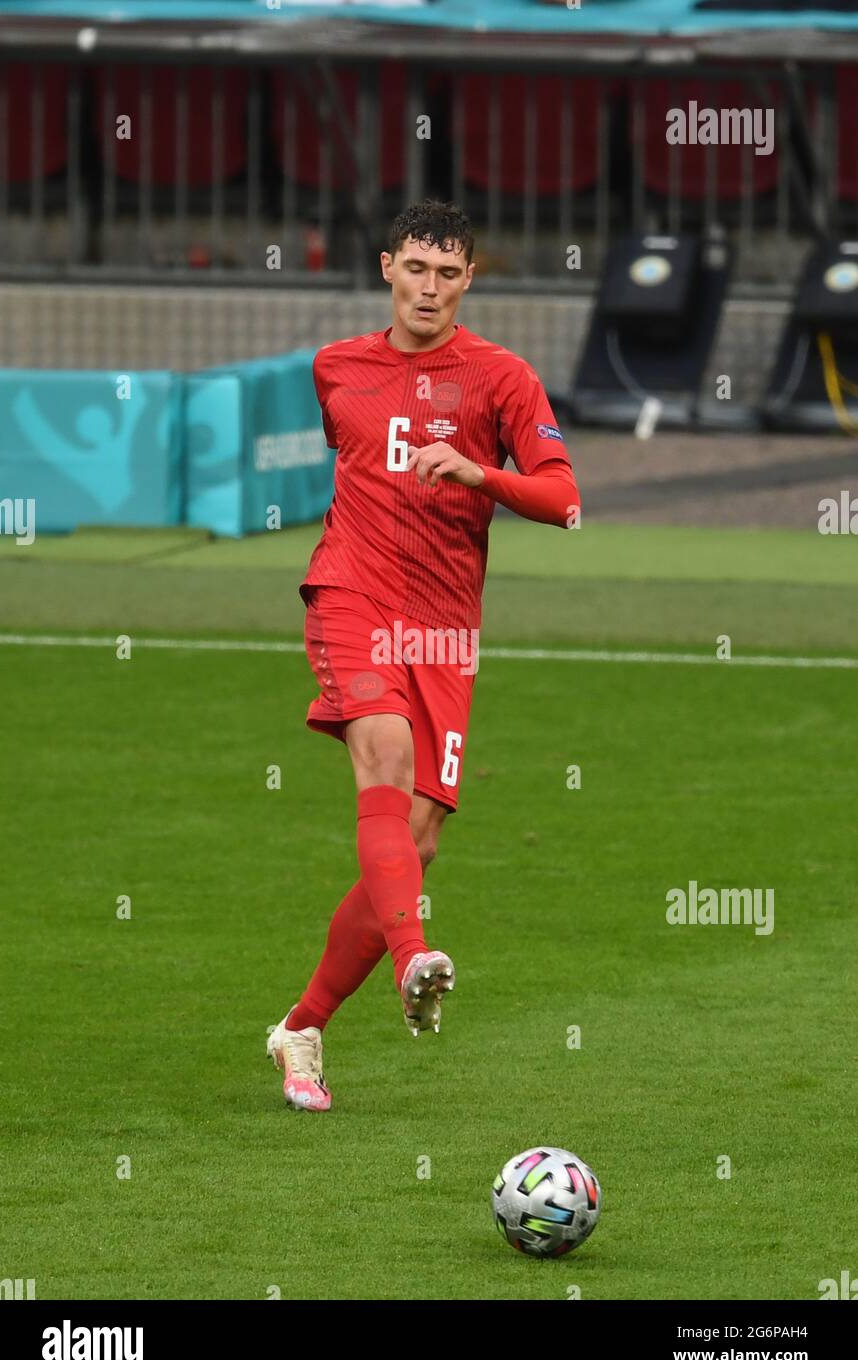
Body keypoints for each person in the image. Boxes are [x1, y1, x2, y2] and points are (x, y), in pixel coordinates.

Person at [267, 200, 580, 1111]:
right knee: (386, 754)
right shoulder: (336, 368)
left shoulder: (501, 378)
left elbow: (563, 499)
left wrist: (481, 472)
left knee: (418, 838)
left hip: (444, 631)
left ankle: (303, 1029)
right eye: (416, 268)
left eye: (448, 273)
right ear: (387, 269)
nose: (429, 287)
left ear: (469, 281)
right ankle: (417, 957)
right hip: (352, 595)